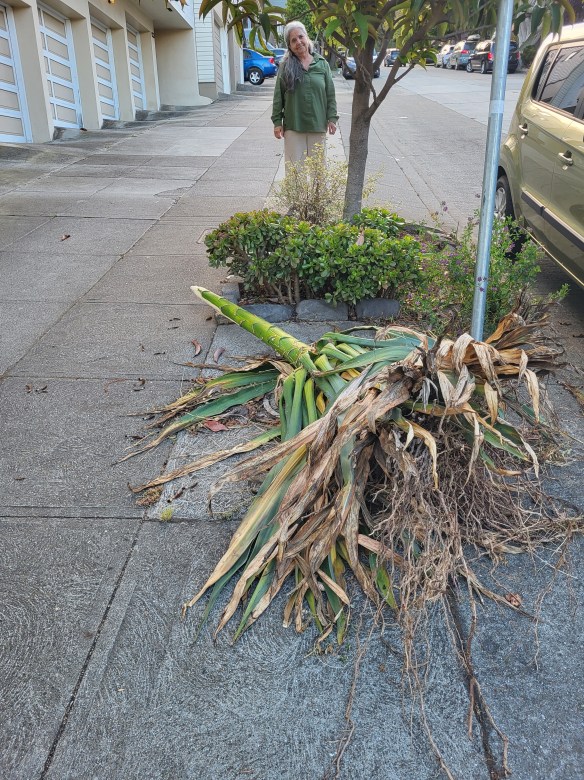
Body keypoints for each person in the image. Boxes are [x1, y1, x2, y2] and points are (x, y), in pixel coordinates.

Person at [271, 21, 338, 164]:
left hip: (318, 125)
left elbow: (330, 94)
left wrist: (332, 117)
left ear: (307, 38)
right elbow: (278, 96)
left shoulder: (322, 64)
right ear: (289, 46)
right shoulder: (285, 66)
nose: (298, 42)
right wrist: (277, 122)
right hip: (294, 126)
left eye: (300, 37)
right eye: (293, 40)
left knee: (318, 173)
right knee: (295, 174)